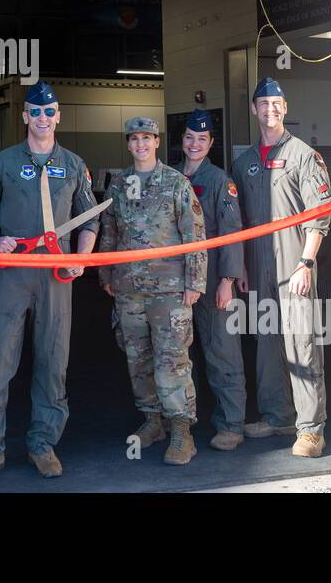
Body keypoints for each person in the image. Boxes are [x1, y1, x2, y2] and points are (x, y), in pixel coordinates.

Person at [0, 80, 99, 483]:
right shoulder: (3, 163)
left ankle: (43, 444)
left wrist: (83, 257)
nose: (42, 118)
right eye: (35, 112)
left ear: (58, 115)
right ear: (25, 116)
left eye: (49, 111)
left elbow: (91, 216)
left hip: (57, 277)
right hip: (11, 273)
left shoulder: (74, 164)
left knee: (52, 362)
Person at [230, 77, 331, 458]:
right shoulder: (244, 163)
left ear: (285, 109)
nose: (270, 109)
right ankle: (278, 416)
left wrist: (306, 262)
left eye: (276, 103)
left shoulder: (305, 155)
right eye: (263, 104)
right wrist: (240, 265)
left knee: (302, 344)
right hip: (258, 269)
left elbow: (318, 214)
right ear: (254, 110)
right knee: (267, 345)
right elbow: (237, 221)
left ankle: (311, 430)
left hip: (294, 267)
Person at [99, 117, 206, 466]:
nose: (141, 145)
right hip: (129, 289)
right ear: (128, 144)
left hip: (169, 291)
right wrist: (106, 275)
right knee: (138, 359)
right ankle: (153, 420)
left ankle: (181, 431)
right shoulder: (118, 183)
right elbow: (109, 232)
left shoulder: (175, 183)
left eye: (147, 138)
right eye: (134, 139)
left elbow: (195, 236)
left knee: (172, 361)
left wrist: (195, 283)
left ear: (157, 142)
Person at [175, 108, 248, 451]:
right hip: (177, 282)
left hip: (213, 278)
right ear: (182, 140)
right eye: (190, 137)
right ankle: (180, 425)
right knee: (176, 356)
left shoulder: (221, 181)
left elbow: (232, 232)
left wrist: (228, 280)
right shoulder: (170, 178)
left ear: (211, 143)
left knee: (222, 352)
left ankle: (231, 425)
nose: (194, 144)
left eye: (201, 139)